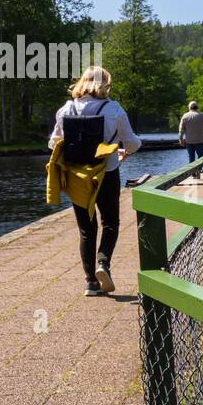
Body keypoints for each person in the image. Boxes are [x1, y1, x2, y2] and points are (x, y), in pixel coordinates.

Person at [48, 66, 142, 297]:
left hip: (77, 176)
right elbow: (133, 143)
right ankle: (104, 263)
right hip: (107, 172)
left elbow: (53, 143)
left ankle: (90, 282)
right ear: (105, 85)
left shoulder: (66, 109)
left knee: (86, 229)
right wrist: (121, 151)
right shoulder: (114, 109)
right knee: (110, 222)